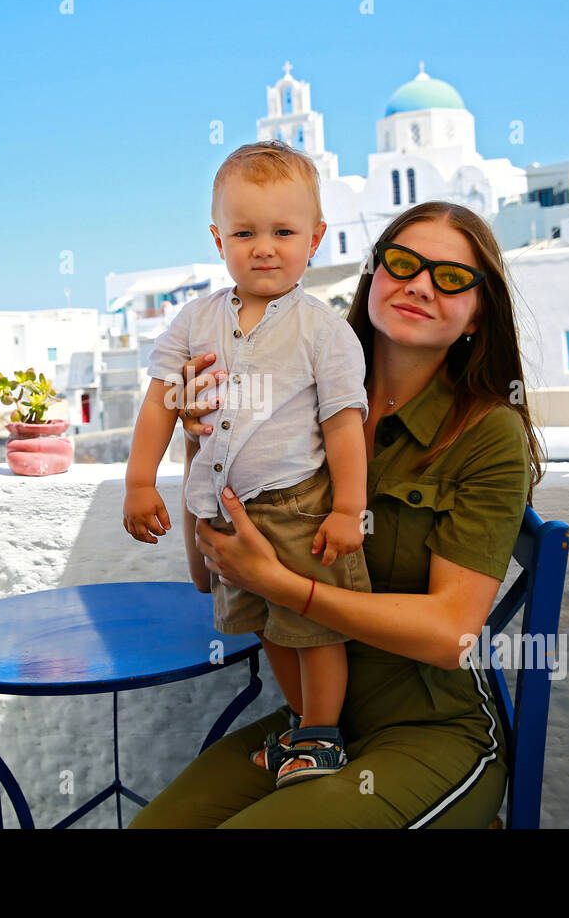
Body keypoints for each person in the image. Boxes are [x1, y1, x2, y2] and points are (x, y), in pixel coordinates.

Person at [127, 199, 547, 827]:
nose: (421, 285)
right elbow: (204, 572)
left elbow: (450, 633)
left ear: (476, 318)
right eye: (403, 263)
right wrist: (201, 438)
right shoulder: (285, 406)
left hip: (431, 731)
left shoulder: (488, 433)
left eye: (453, 277)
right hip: (315, 728)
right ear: (372, 276)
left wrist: (283, 587)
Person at [122, 141, 372, 788]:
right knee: (266, 627)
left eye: (283, 232)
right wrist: (140, 480)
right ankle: (300, 723)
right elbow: (160, 403)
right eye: (245, 232)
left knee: (314, 629)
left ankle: (321, 733)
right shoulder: (194, 321)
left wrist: (348, 509)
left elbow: (345, 424)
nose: (264, 247)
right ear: (218, 239)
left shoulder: (323, 329)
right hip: (225, 514)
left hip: (298, 507)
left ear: (314, 238)